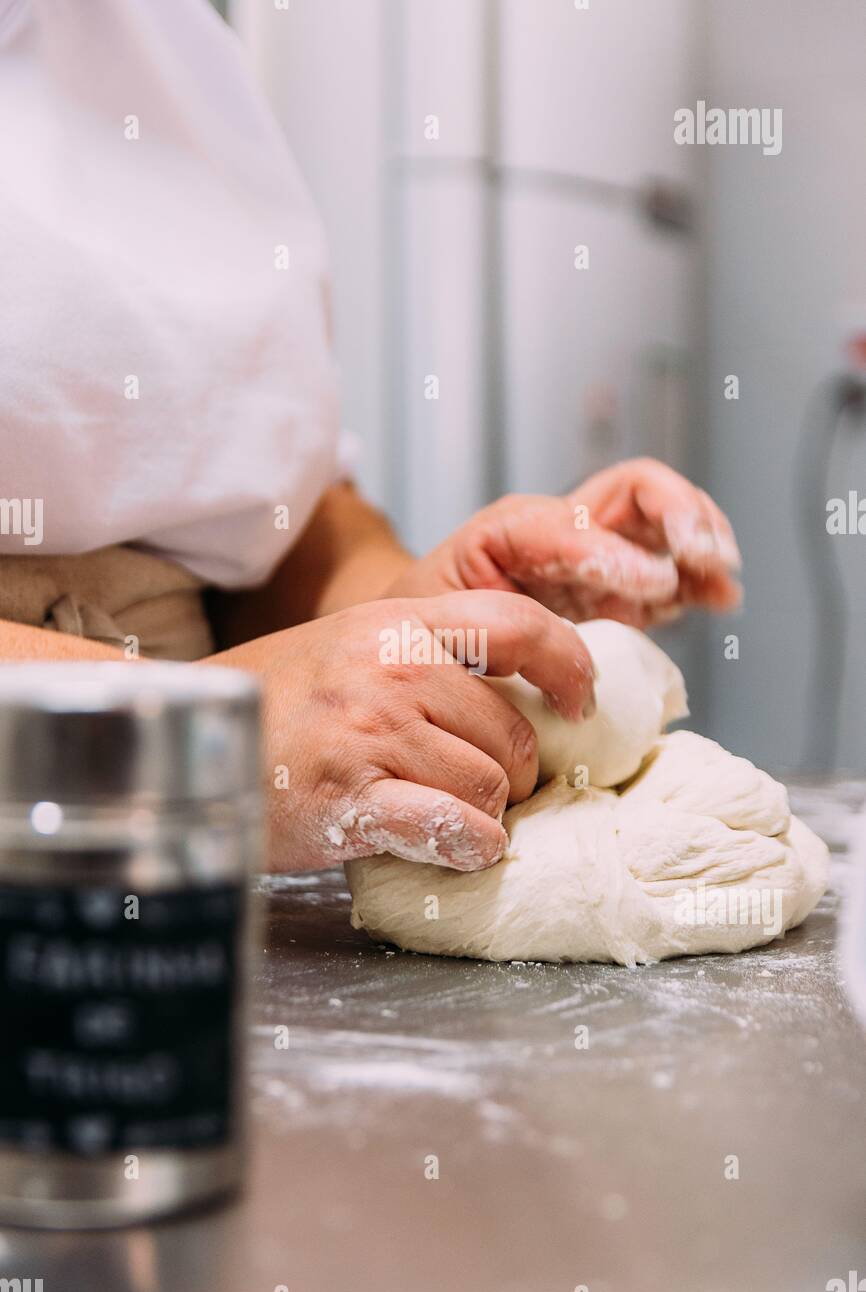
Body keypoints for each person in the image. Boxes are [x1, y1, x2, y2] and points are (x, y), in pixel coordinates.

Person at [0, 0, 740, 873]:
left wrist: (407, 603)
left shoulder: (180, 45)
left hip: (202, 870)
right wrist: (212, 735)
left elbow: (268, 513)